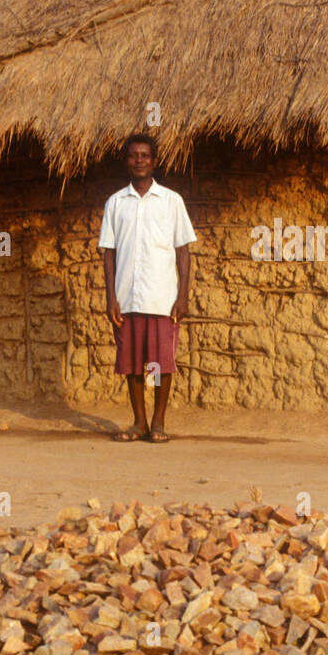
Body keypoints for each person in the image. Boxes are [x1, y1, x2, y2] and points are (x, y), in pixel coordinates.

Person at [99, 134, 196, 442]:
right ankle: (138, 423)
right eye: (133, 155)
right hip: (127, 298)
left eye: (144, 155)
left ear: (154, 161)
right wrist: (111, 297)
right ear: (127, 162)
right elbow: (109, 252)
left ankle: (158, 423)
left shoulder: (171, 201)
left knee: (160, 363)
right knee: (132, 363)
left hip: (162, 298)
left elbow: (183, 250)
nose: (139, 160)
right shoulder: (116, 203)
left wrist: (182, 296)